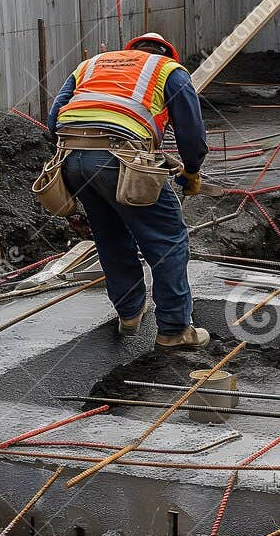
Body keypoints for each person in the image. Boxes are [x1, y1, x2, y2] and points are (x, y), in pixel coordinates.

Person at [47, 32, 211, 348]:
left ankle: (130, 311)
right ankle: (175, 330)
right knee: (167, 239)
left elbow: (54, 118)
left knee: (109, 234)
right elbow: (192, 133)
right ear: (168, 54)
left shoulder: (90, 65)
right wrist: (191, 170)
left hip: (72, 157)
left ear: (129, 51)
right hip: (121, 157)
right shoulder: (168, 70)